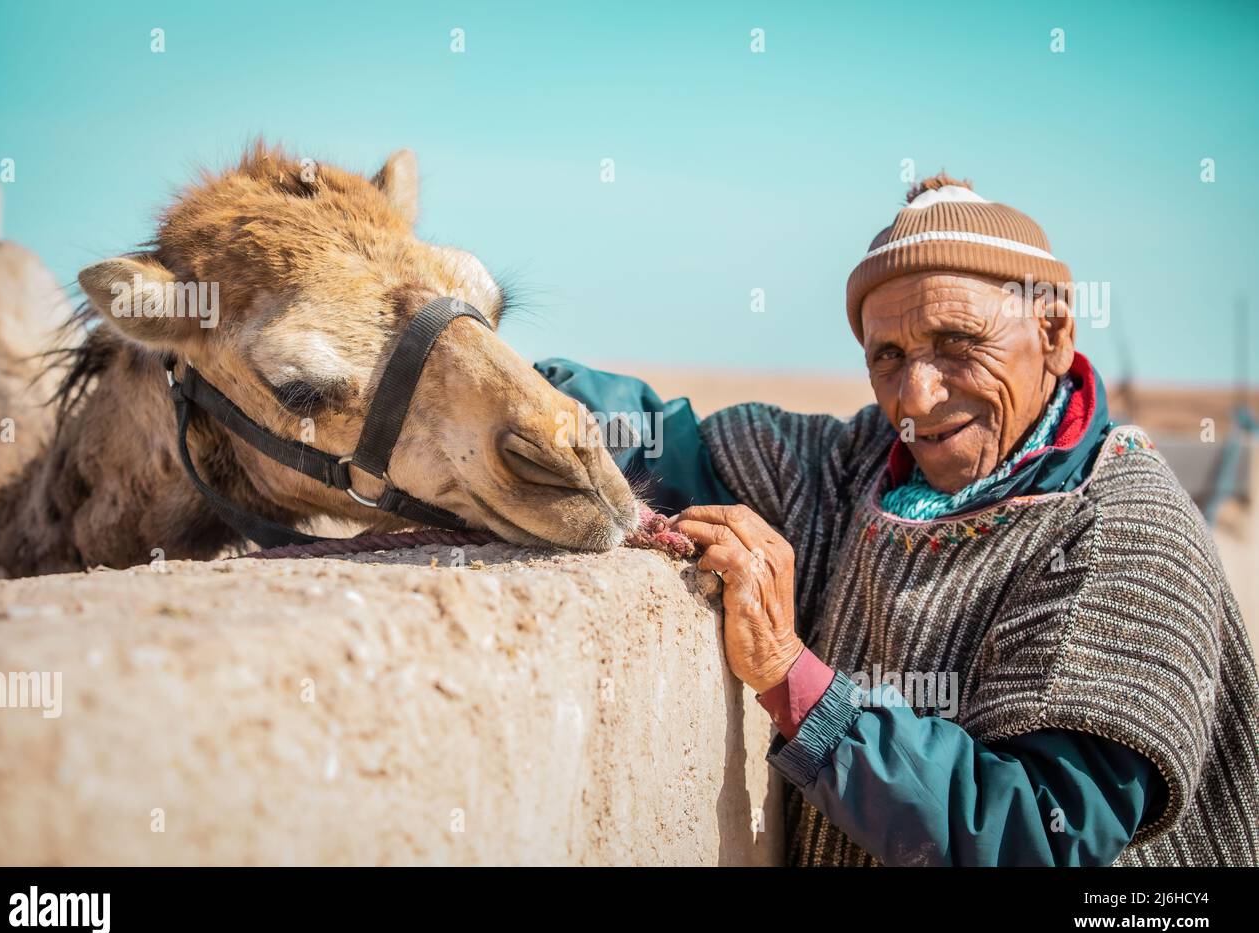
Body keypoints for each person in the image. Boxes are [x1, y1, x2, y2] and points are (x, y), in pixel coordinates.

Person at [537, 175, 1259, 866]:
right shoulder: (858, 465)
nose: (916, 397)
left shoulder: (1122, 531)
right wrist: (499, 387)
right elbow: (663, 440)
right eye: (889, 356)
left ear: (1056, 332)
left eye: (956, 343)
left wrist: (795, 681)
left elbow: (1034, 836)